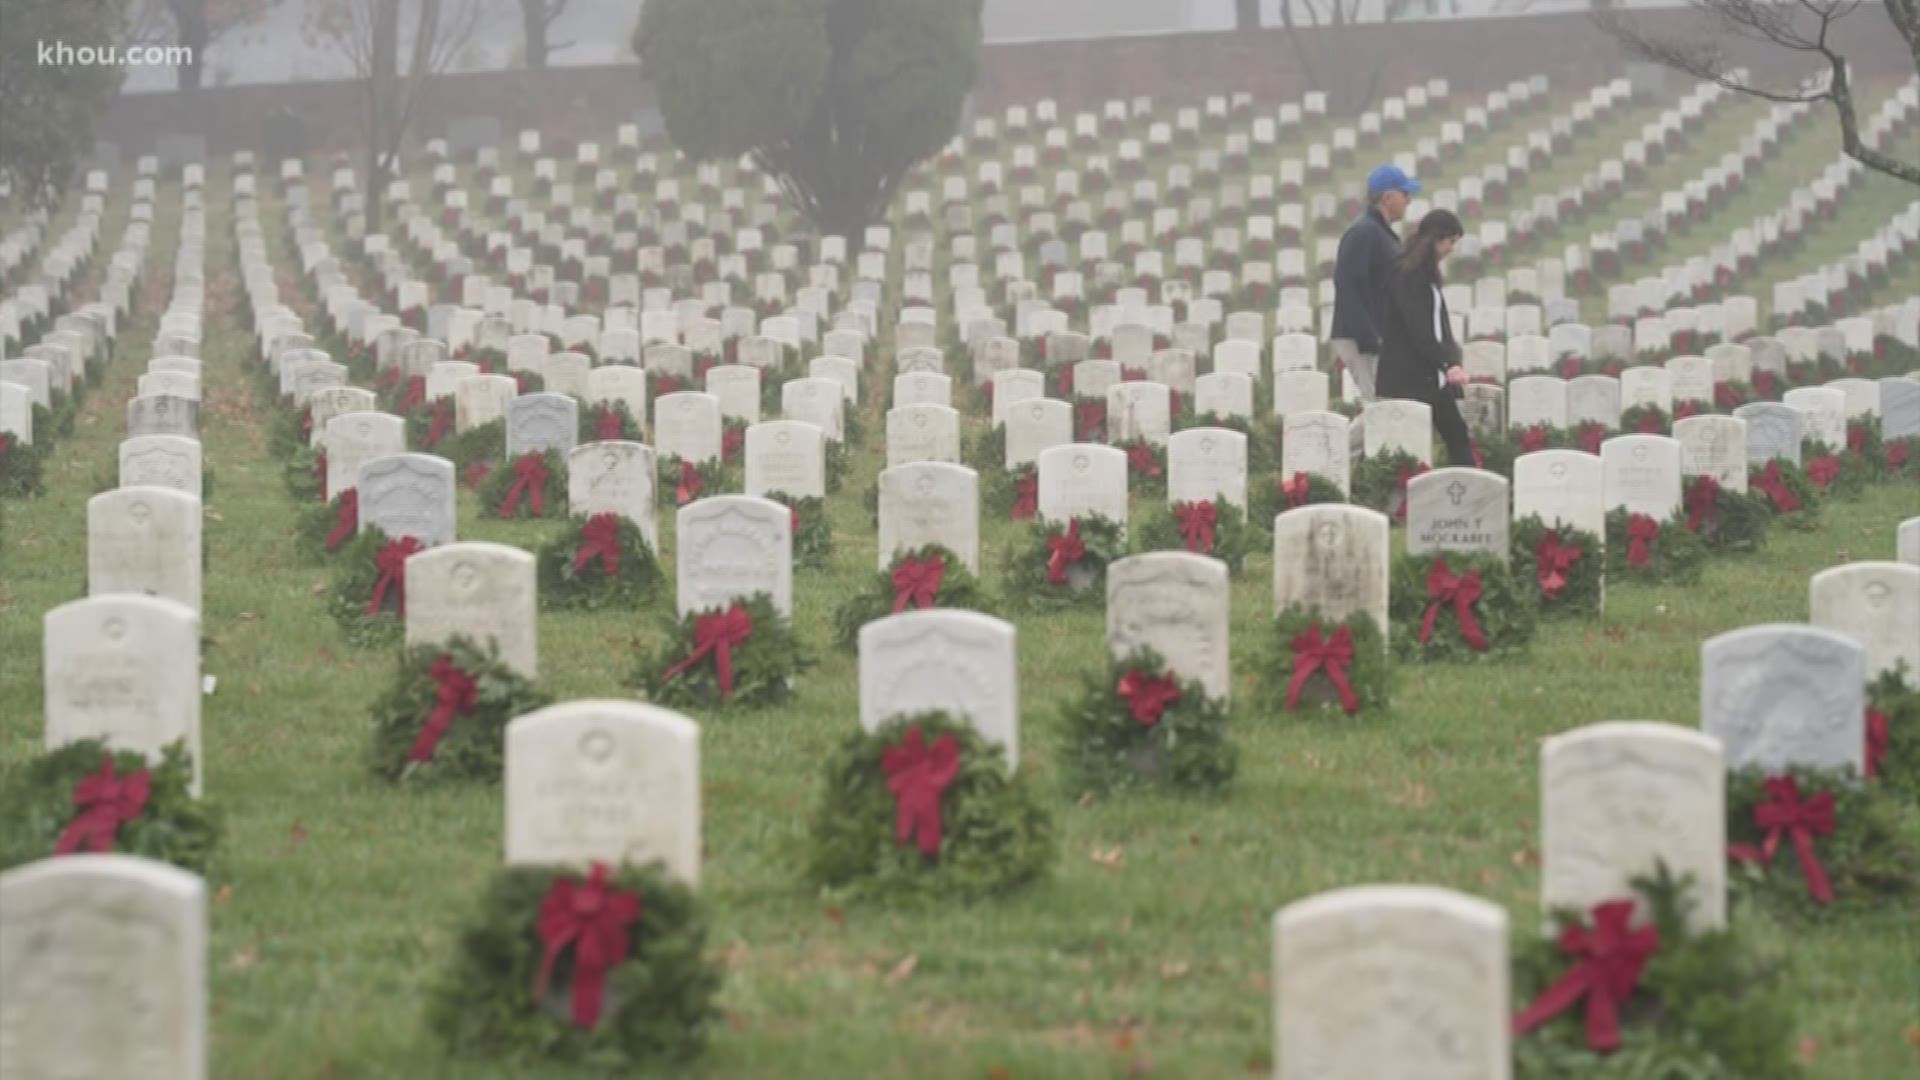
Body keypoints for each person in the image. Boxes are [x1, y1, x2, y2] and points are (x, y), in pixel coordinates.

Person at [1377, 208, 1474, 467]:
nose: (1452, 248)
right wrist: (1446, 364)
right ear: (1435, 238)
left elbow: (1439, 326)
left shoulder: (1424, 275)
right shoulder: (1408, 276)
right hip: (1410, 377)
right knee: (1399, 447)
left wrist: (1449, 363)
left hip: (1429, 376)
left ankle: (1470, 490)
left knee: (1456, 435)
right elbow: (1419, 329)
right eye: (1450, 241)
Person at [1331, 164, 1420, 404]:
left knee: (1384, 406)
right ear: (1388, 197)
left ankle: (1334, 443)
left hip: (1376, 335)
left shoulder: (1380, 233)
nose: (1409, 200)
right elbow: (1347, 285)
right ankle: (1327, 443)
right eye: (1405, 194)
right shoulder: (1364, 233)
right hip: (1363, 338)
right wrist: (1368, 338)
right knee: (1382, 407)